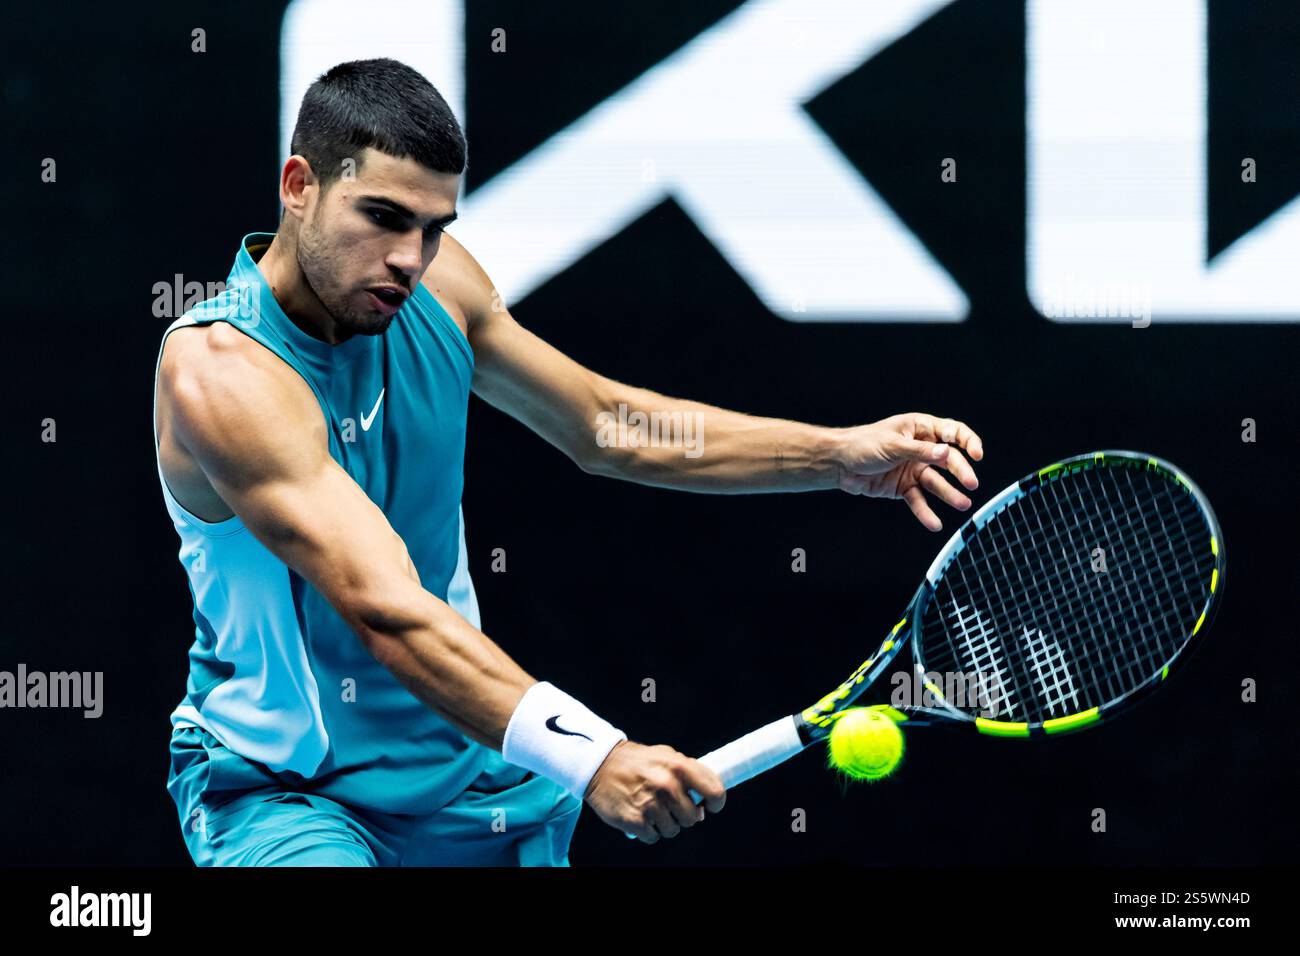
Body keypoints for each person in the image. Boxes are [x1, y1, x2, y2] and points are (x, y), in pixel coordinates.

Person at [154, 58, 983, 866]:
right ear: (300, 186)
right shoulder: (223, 371)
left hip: (475, 778)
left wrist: (834, 454)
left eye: (435, 228)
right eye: (382, 215)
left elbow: (608, 426)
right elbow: (385, 608)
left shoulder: (439, 291)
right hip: (288, 791)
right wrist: (592, 756)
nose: (410, 257)